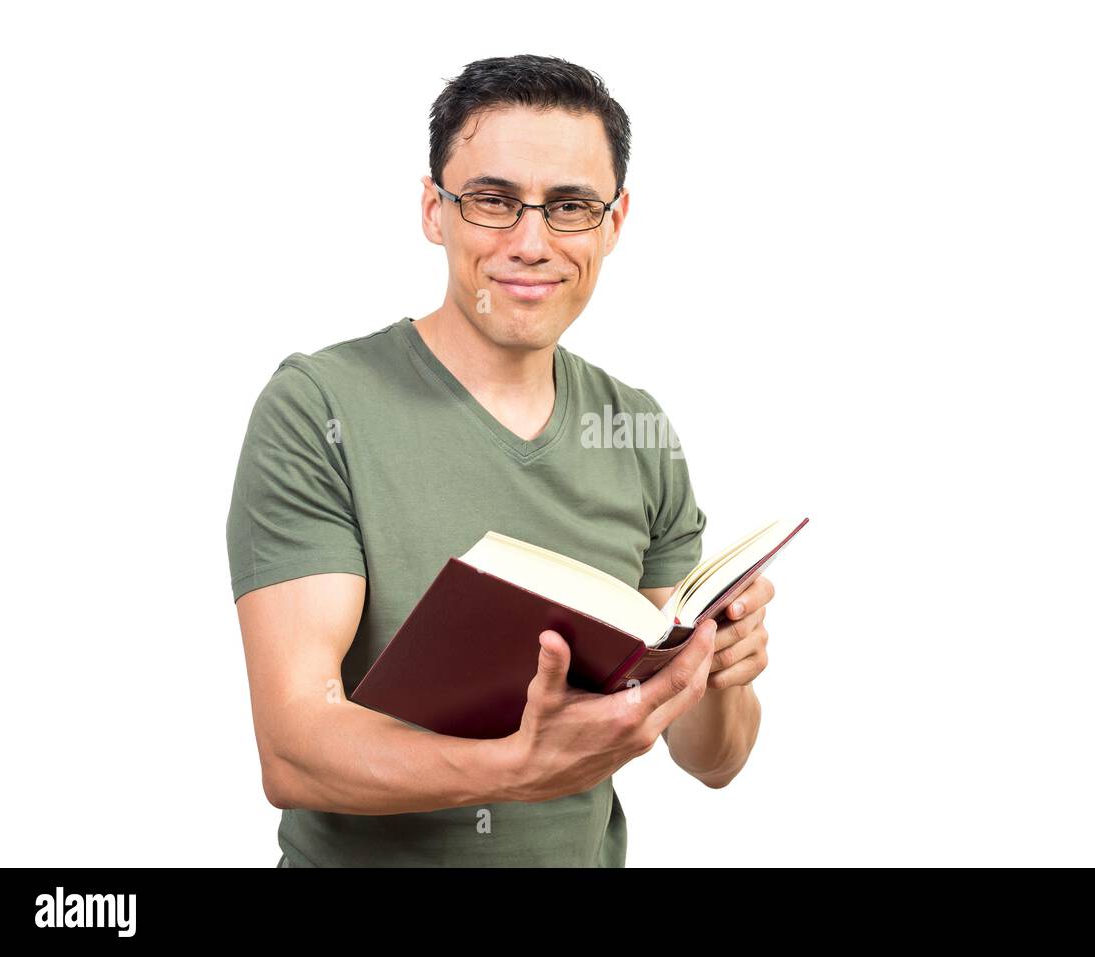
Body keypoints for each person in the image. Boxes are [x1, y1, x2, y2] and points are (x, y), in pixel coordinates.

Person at [226, 54, 775, 867]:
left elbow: (714, 760)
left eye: (570, 206)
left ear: (614, 223)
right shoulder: (319, 408)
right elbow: (295, 748)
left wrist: (715, 668)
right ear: (432, 210)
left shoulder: (637, 430)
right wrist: (510, 770)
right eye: (492, 200)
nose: (531, 242)